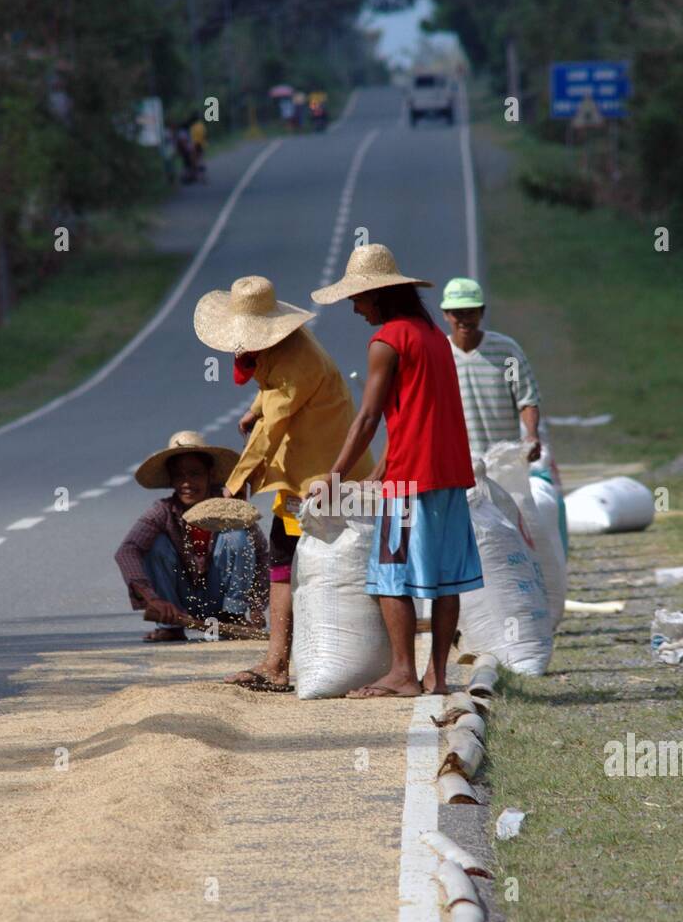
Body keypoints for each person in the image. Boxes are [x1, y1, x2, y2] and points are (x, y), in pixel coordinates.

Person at [311, 244, 482, 698]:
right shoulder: (433, 338)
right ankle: (437, 676)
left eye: (359, 299)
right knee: (446, 580)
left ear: (380, 296)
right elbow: (414, 416)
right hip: (448, 474)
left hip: (410, 481)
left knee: (391, 575)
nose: (356, 308)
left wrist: (336, 473)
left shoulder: (387, 341)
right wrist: (378, 468)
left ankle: (403, 673)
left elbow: (369, 417)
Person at [193, 275, 374, 691]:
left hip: (321, 482)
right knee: (288, 564)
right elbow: (272, 392)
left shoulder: (296, 360)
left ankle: (279, 664)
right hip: (304, 478)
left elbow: (273, 428)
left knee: (289, 565)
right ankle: (282, 659)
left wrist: (237, 482)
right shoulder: (286, 347)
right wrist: (253, 408)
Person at [115, 430, 269, 642]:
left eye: (195, 474)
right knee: (155, 545)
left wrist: (257, 606)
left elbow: (261, 554)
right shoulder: (163, 511)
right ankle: (170, 625)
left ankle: (233, 615)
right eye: (179, 476)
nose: (187, 483)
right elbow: (127, 550)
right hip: (181, 605)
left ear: (210, 475)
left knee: (237, 535)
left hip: (220, 598)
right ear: (172, 480)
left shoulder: (229, 508)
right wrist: (152, 599)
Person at [440, 276, 542, 462]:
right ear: (446, 314)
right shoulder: (438, 355)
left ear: (482, 312)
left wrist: (532, 434)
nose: (464, 320)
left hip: (505, 460)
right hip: (459, 463)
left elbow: (526, 400)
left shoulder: (507, 352)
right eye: (457, 313)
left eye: (470, 312)